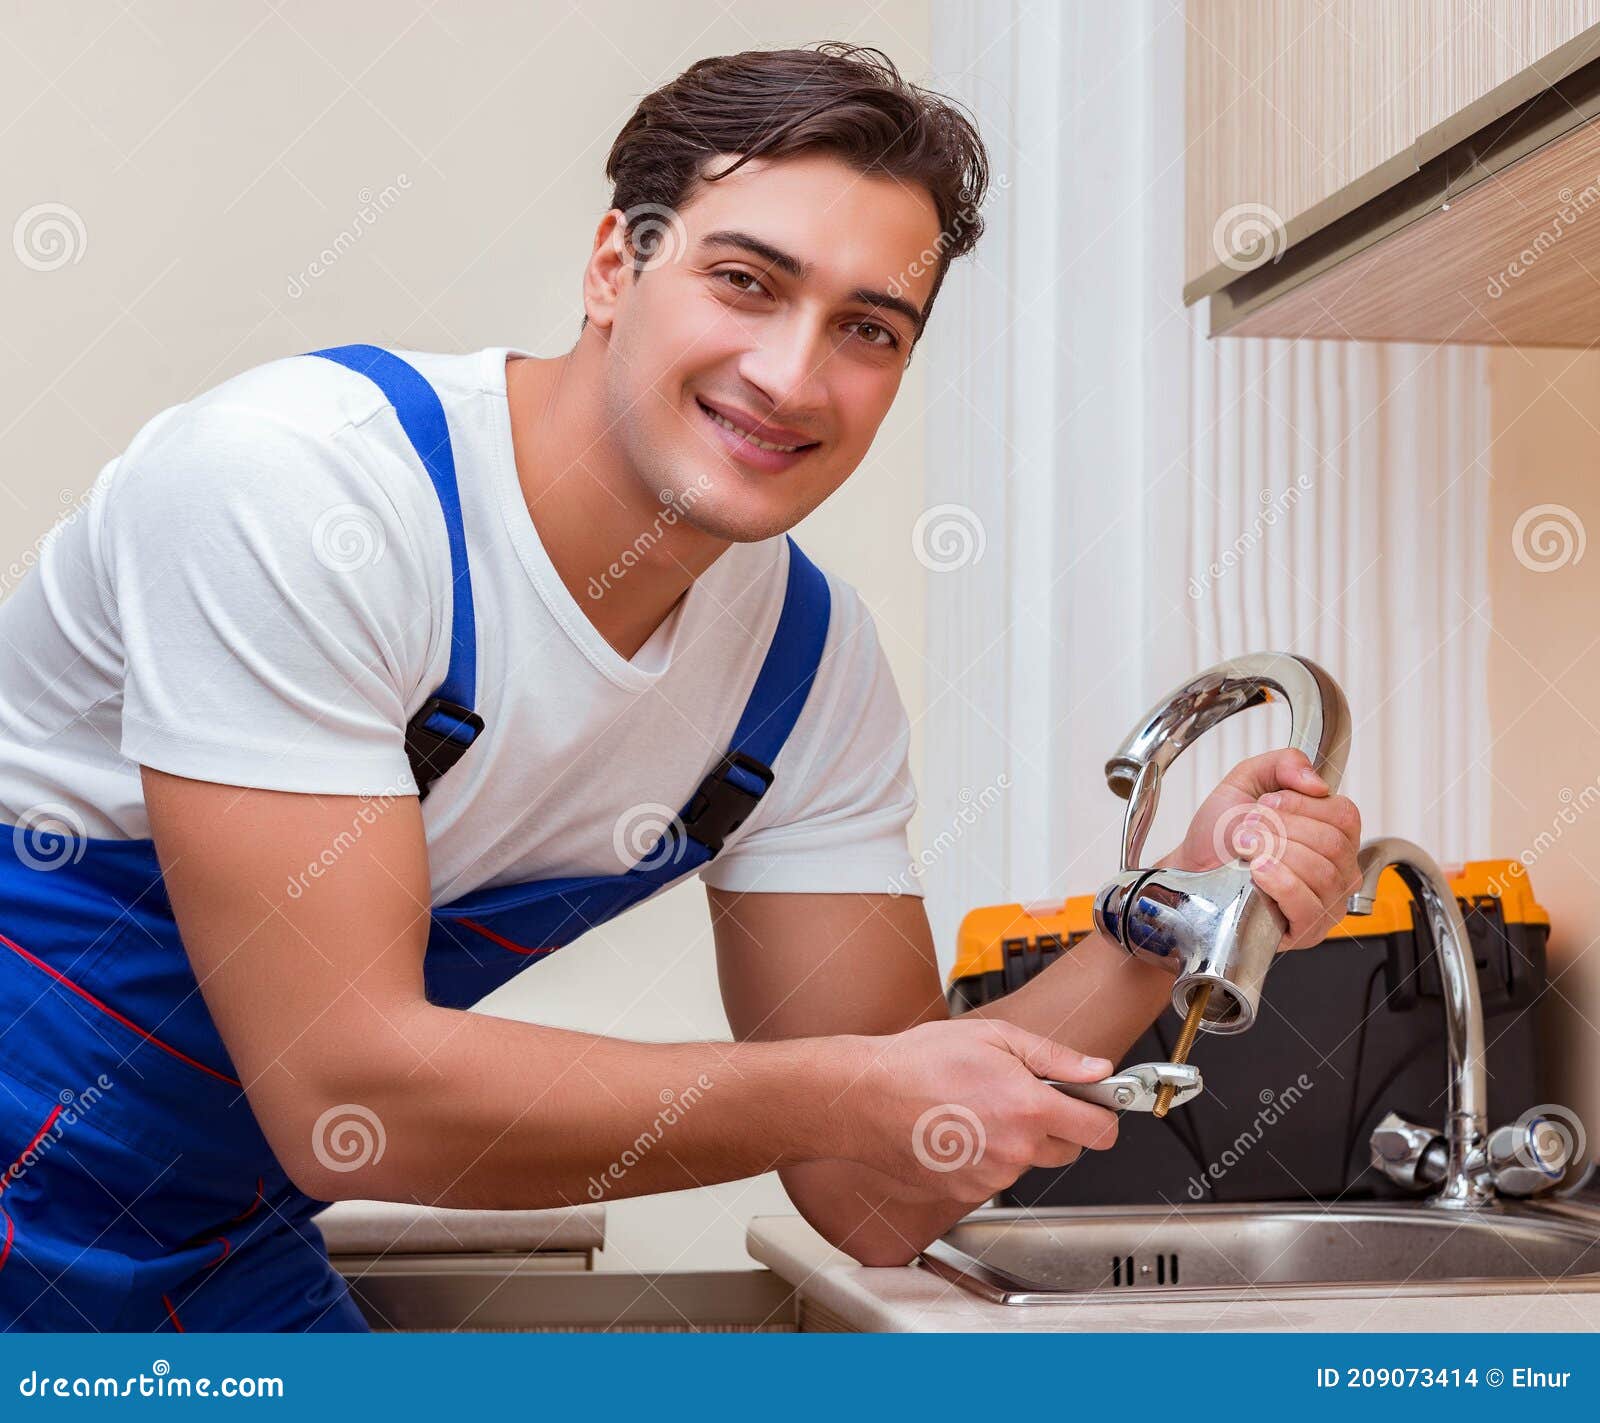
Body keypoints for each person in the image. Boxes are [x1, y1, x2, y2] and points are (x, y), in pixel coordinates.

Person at [0, 42, 1362, 1332]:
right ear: (614, 264)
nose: (790, 374)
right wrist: (841, 1087)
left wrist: (1151, 928)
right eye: (747, 281)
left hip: (204, 1243)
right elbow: (346, 1090)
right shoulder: (307, 491)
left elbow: (877, 1184)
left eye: (870, 329)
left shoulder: (804, 677)